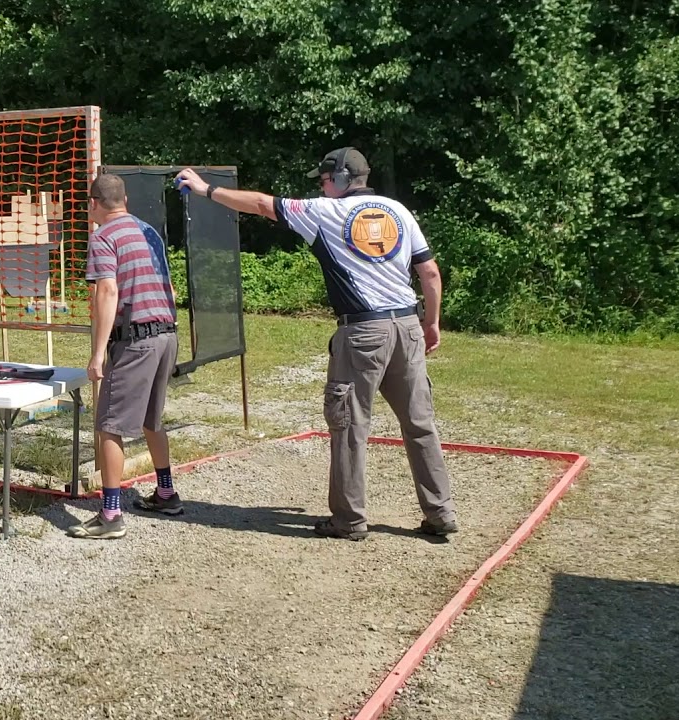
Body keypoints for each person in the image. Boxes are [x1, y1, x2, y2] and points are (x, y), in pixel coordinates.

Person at [175, 148, 457, 541]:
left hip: (362, 333)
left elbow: (260, 204)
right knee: (420, 423)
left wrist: (206, 190)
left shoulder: (326, 212)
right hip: (406, 326)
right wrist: (431, 322)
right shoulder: (398, 210)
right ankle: (441, 513)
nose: (321, 188)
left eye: (324, 181)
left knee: (349, 426)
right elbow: (429, 271)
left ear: (340, 180)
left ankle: (349, 520)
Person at [67, 173, 181, 540]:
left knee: (110, 425)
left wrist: (97, 353)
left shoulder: (103, 236)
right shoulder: (149, 232)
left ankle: (111, 513)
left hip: (136, 338)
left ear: (94, 205)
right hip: (166, 333)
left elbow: (107, 292)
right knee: (152, 419)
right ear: (126, 200)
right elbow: (170, 286)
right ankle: (166, 493)